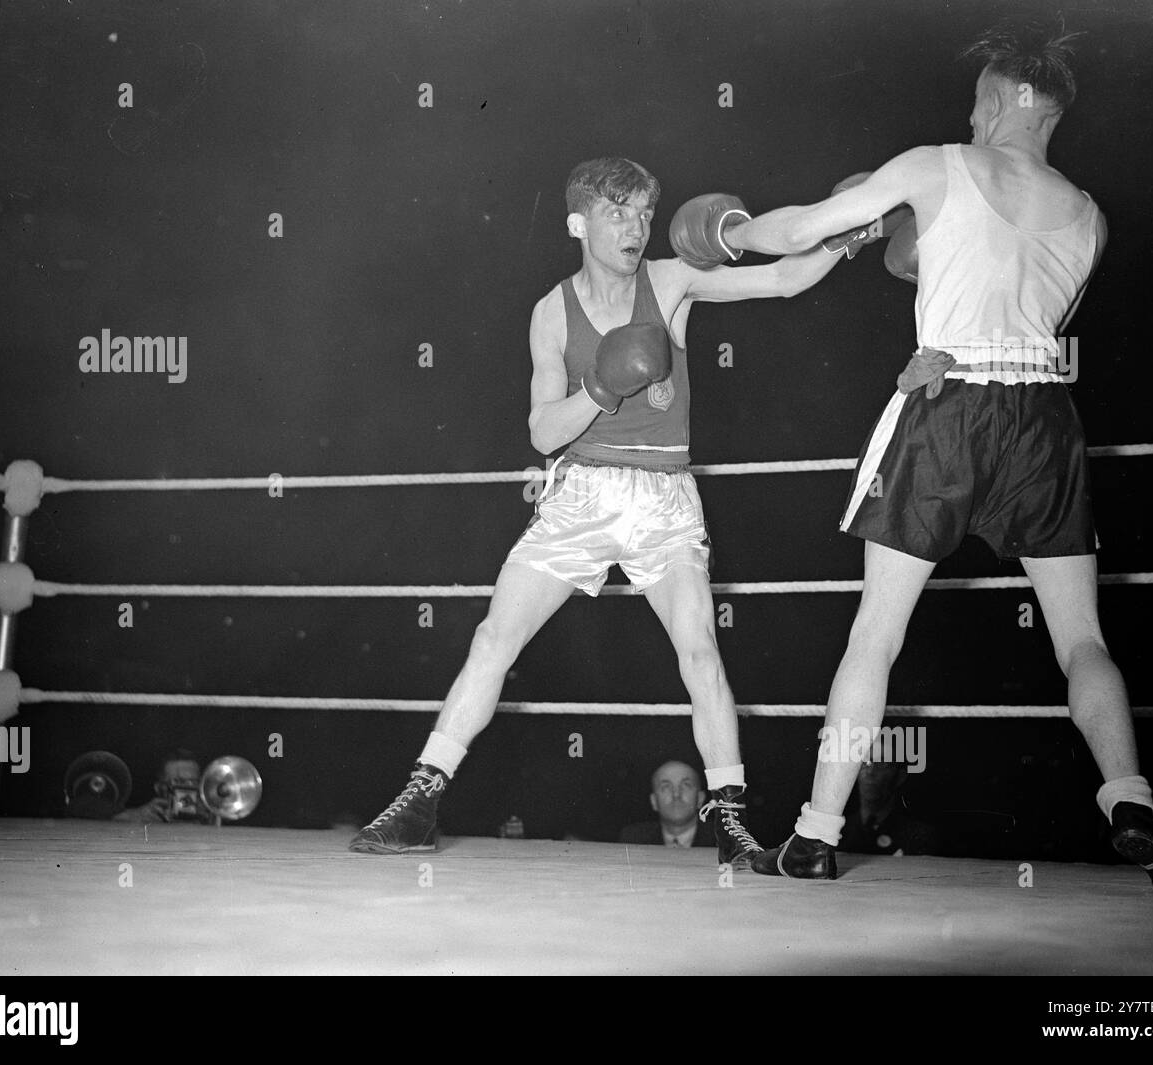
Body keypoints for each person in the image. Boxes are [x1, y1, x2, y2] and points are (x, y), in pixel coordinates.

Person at [697, 22, 1153, 894]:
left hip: (949, 403)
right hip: (1044, 414)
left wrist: (731, 227)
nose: (970, 115)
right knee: (1082, 636)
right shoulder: (1090, 215)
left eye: (981, 100)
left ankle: (817, 832)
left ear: (1018, 97)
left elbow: (799, 238)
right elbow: (1013, 293)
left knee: (878, 627)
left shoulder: (937, 162)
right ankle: (1131, 803)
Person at [349, 156, 851, 868]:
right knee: (495, 637)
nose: (637, 227)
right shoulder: (551, 311)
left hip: (664, 497)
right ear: (579, 222)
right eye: (619, 213)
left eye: (645, 213)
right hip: (579, 494)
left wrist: (846, 236)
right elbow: (543, 432)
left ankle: (731, 821)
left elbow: (780, 277)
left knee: (701, 652)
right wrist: (602, 385)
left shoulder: (672, 280)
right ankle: (420, 800)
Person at [619, 760, 717, 848]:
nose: (676, 794)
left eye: (686, 785)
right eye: (666, 787)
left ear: (700, 798)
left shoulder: (721, 839)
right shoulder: (634, 840)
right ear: (654, 801)